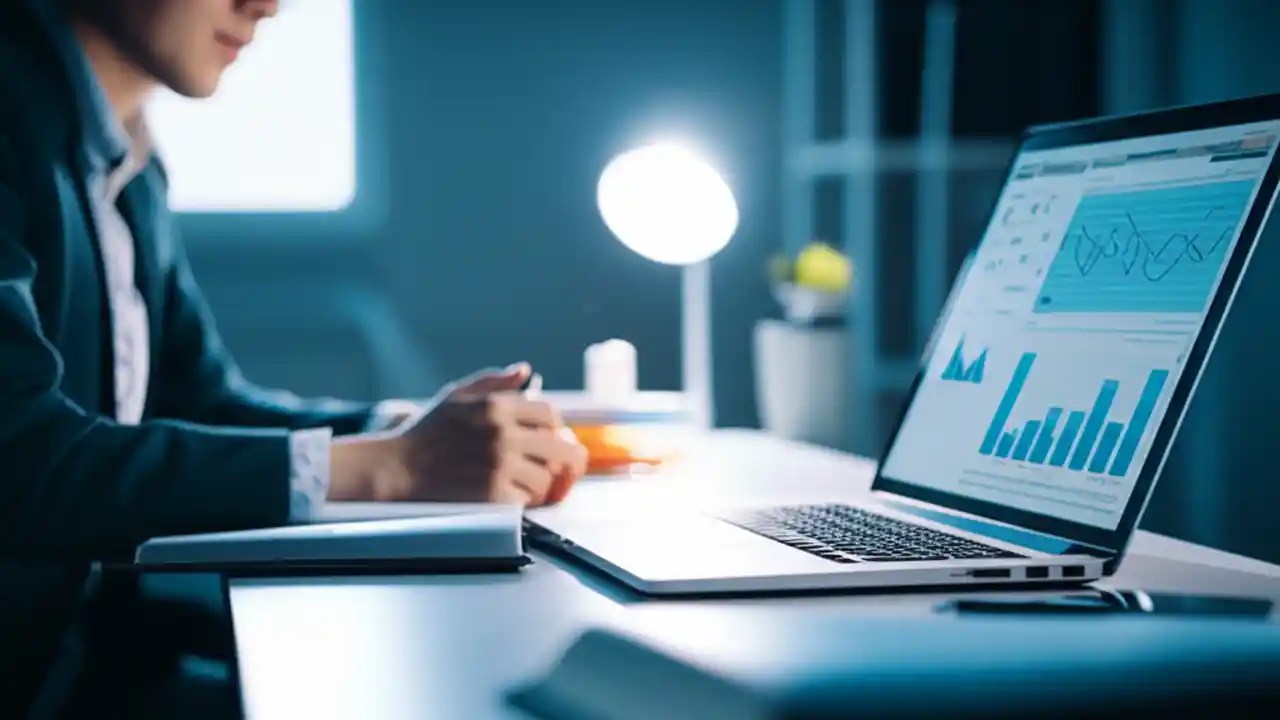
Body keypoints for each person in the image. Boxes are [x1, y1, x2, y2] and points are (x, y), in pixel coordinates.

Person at [0, 0, 588, 714]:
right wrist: (395, 466)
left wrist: (412, 430)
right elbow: (21, 458)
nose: (267, 5)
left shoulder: (130, 169)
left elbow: (203, 404)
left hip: (86, 669)